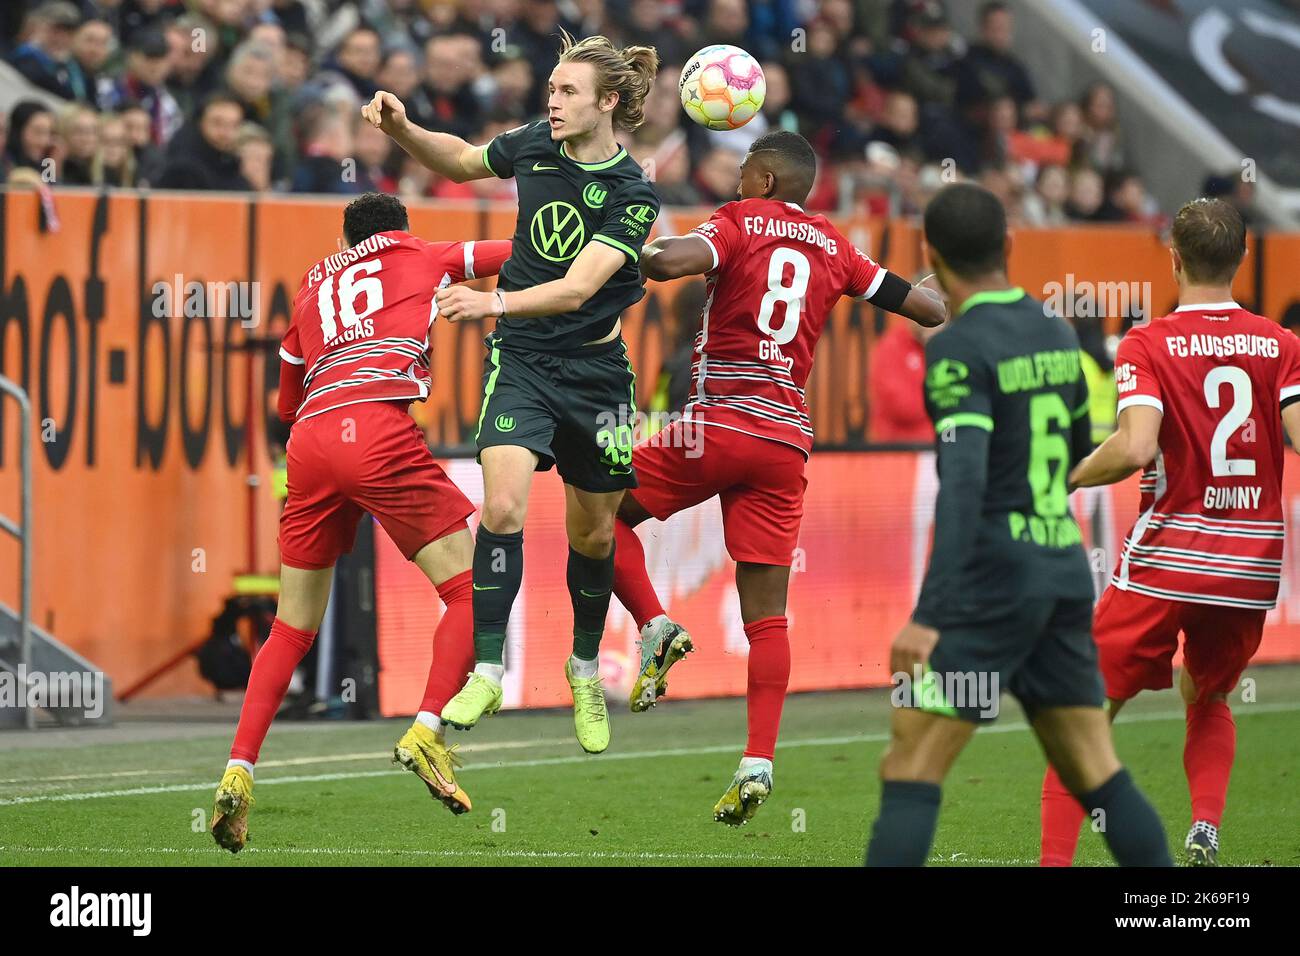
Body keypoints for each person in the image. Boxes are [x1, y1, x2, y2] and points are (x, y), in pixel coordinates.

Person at [616, 130, 946, 824]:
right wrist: (940, 281)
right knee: (767, 615)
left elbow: (673, 261)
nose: (737, 183)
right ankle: (758, 760)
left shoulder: (736, 222)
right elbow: (926, 308)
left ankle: (655, 626)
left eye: (742, 173)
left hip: (717, 422)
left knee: (600, 517)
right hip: (785, 443)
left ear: (763, 179)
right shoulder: (836, 246)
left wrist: (625, 245)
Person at [364, 32, 661, 755]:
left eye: (566, 92)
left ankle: (584, 668)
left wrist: (493, 303)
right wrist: (403, 130)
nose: (550, 102)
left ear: (608, 103)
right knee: (500, 506)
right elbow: (463, 160)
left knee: (594, 533)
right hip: (523, 363)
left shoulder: (632, 193)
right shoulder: (534, 143)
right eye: (551, 90)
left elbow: (581, 287)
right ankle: (490, 669)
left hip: (597, 377)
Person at [863, 183, 1171, 867]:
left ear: (929, 255)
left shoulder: (958, 348)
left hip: (991, 586)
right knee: (1097, 771)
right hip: (1062, 570)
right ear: (1009, 244)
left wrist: (930, 612)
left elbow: (964, 482)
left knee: (909, 765)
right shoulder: (1057, 333)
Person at [210, 193, 512, 853]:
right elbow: (520, 254)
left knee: (291, 628)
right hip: (376, 424)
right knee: (469, 591)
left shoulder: (312, 283)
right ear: (402, 229)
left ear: (349, 241)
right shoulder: (422, 253)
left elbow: (286, 400)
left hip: (312, 440)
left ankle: (238, 768)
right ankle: (427, 729)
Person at [1040, 198, 1300, 867]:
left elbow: (1133, 448)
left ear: (1174, 258)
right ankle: (1206, 828)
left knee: (1081, 715)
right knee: (1208, 691)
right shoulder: (1282, 345)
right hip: (1249, 564)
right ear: (1242, 259)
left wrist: (1066, 477)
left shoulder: (1148, 343)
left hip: (1170, 557)